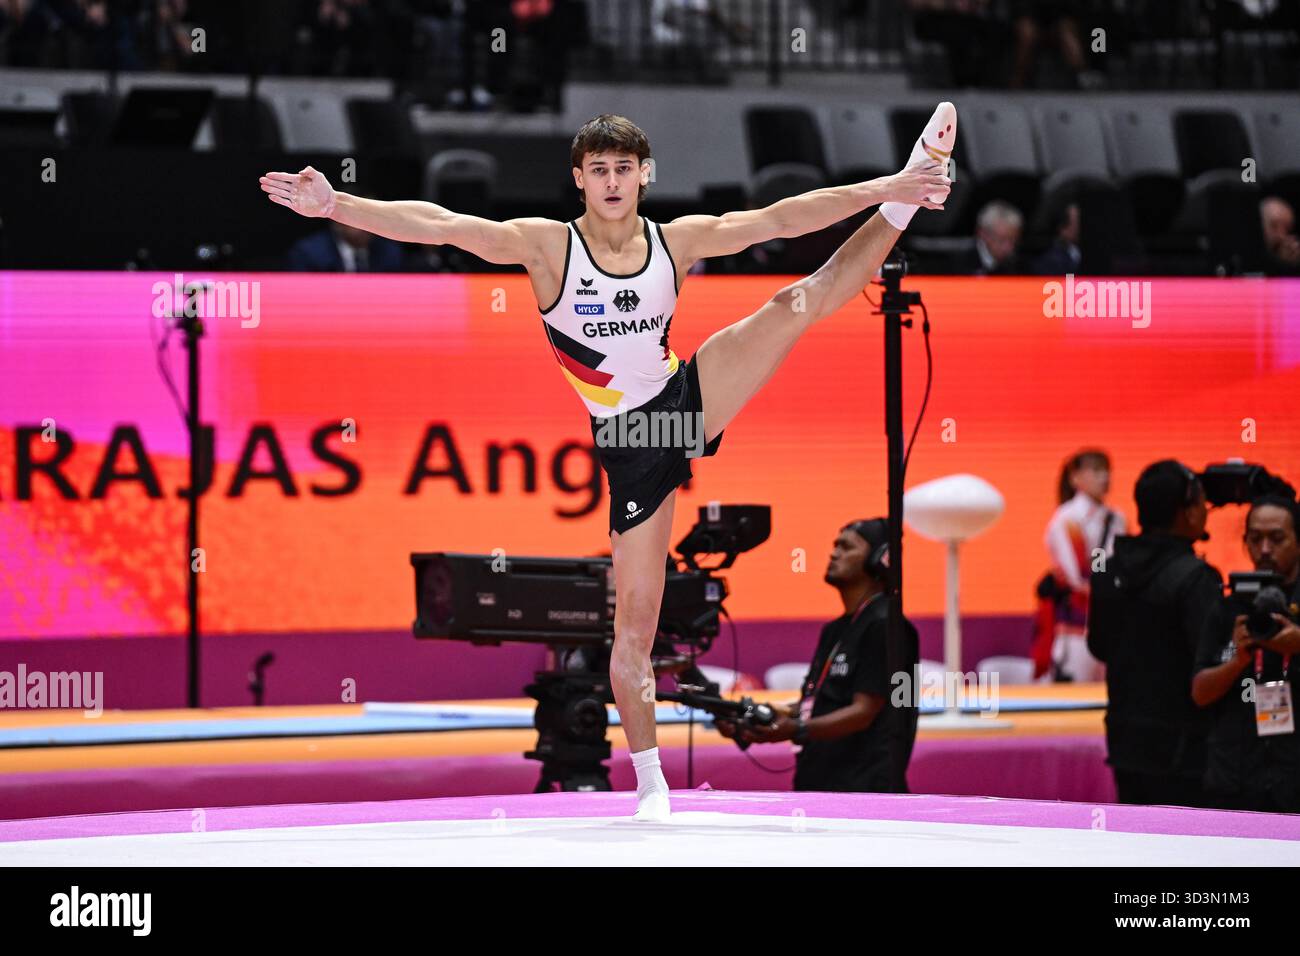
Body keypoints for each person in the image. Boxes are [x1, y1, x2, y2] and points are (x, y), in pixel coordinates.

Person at [260, 106, 955, 819]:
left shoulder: (675, 240)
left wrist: (884, 183)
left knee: (795, 302)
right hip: (630, 446)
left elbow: (782, 217)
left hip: (684, 394)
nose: (614, 181)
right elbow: (440, 223)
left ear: (645, 175)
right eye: (600, 170)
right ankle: (651, 783)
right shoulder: (547, 248)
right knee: (635, 630)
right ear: (579, 179)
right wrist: (335, 204)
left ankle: (906, 199)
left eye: (625, 169)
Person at [716, 518, 920, 793]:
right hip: (819, 785)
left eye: (846, 547)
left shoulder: (887, 625)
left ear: (878, 559)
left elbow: (864, 712)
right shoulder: (834, 630)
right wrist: (754, 717)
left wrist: (795, 729)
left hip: (865, 793)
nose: (834, 553)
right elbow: (813, 704)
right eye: (835, 545)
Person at [1087, 460, 1222, 808]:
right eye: (1201, 503)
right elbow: (1214, 662)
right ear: (1186, 512)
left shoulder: (1108, 569)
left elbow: (1099, 645)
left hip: (1124, 742)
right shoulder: (1196, 578)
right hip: (1187, 752)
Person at [1194, 495, 1300, 812]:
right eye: (1256, 539)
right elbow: (1200, 691)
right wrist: (1237, 660)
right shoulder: (1228, 607)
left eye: (1277, 538)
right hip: (1236, 777)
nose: (1265, 549)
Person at [1032, 449, 1124, 682]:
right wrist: (1108, 579)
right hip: (1076, 629)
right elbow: (1082, 576)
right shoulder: (1067, 519)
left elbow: (1112, 566)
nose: (1104, 478)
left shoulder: (1115, 519)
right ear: (1075, 477)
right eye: (1095, 470)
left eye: (1106, 471)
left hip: (1111, 625)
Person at [285, 219, 408, 272]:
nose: (368, 225)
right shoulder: (309, 253)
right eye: (360, 219)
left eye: (372, 219)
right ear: (338, 221)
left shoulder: (390, 252)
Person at [957, 201, 1024, 275]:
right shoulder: (957, 264)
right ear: (983, 234)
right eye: (1002, 240)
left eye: (1013, 240)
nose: (1009, 247)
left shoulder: (1019, 266)